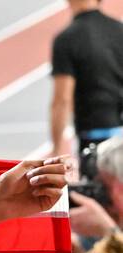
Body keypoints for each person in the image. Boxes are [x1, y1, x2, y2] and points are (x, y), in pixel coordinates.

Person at [51, 0, 123, 170]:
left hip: (92, 136)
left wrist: (56, 149)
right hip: (120, 130)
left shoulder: (66, 39)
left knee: (96, 192)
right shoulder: (120, 30)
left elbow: (62, 99)